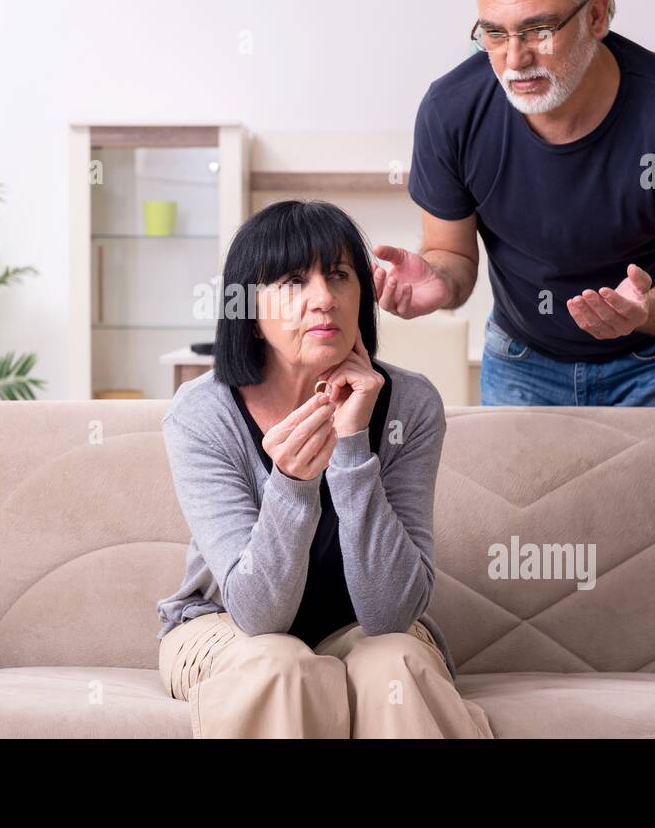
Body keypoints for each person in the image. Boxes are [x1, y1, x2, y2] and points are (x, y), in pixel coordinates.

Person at [155, 199, 493, 739]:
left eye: (339, 275)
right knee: (281, 666)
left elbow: (391, 614)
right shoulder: (202, 412)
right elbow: (258, 616)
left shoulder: (410, 404)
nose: (324, 299)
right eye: (293, 280)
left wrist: (354, 448)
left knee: (396, 666)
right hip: (224, 626)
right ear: (248, 310)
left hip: (362, 629)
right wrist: (290, 485)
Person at [375, 0, 655, 406]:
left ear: (597, 15)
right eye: (494, 35)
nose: (515, 59)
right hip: (521, 362)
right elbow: (453, 254)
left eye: (538, 30)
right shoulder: (449, 112)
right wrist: (438, 281)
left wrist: (644, 310)